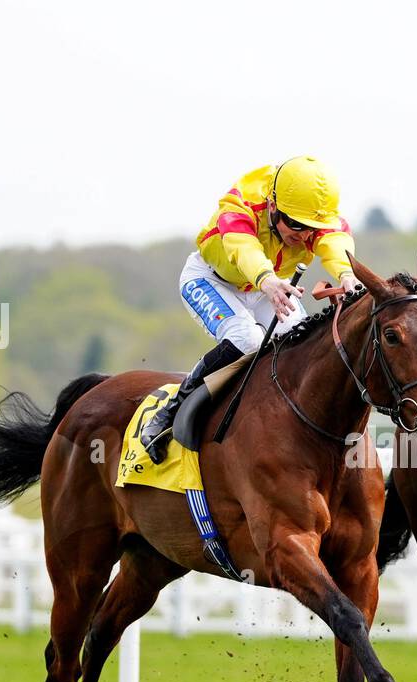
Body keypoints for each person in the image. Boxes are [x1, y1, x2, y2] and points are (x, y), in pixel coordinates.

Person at [141, 156, 361, 460]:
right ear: (272, 206)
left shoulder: (313, 216)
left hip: (266, 285)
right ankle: (169, 412)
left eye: (314, 228)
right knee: (247, 340)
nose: (305, 235)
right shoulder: (241, 204)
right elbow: (243, 248)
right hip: (212, 280)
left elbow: (334, 241)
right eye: (296, 225)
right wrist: (266, 279)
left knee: (300, 341)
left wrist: (346, 275)